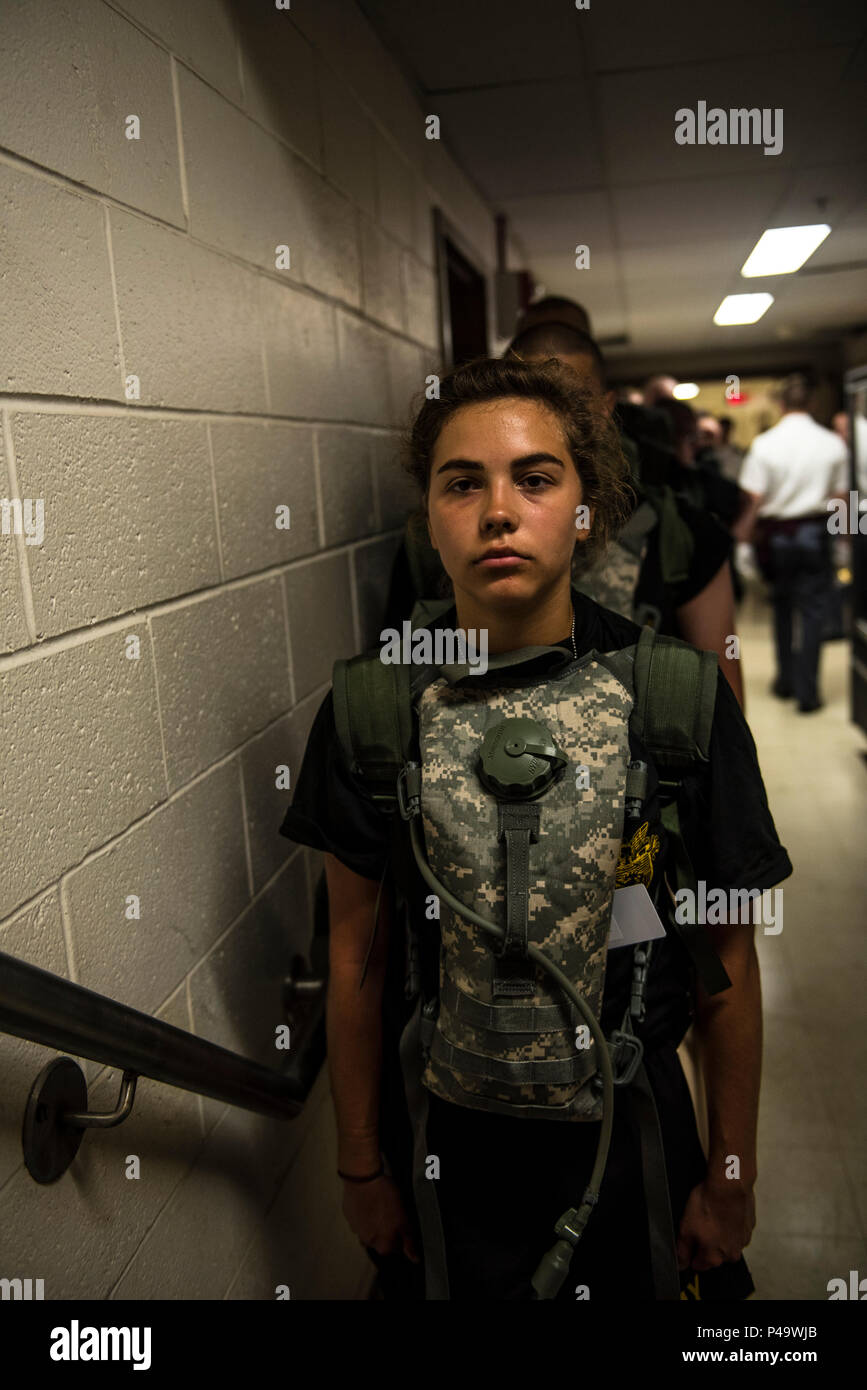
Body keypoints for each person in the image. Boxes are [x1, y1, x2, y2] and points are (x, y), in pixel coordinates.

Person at [279, 357, 792, 1302]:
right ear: (428, 517)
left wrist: (729, 1177)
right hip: (443, 1147)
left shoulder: (673, 698)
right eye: (461, 483)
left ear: (585, 509)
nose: (497, 511)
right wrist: (359, 1166)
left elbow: (729, 968)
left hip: (632, 1133)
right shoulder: (376, 709)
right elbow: (357, 954)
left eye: (535, 478)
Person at [738, 373, 849, 712]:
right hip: (816, 533)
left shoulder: (765, 443)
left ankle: (785, 680)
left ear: (781, 404)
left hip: (778, 537)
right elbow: (841, 498)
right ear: (811, 404)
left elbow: (753, 498)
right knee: (814, 613)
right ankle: (808, 692)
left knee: (783, 609)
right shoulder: (832, 443)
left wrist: (742, 541)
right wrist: (845, 541)